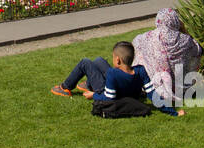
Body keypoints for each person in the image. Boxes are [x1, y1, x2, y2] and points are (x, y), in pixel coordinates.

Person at [50, 40, 181, 115]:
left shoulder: (113, 73)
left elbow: (109, 98)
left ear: (117, 60)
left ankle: (65, 87)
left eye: (113, 57)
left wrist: (93, 95)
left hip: (110, 90)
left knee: (85, 62)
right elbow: (153, 95)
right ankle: (88, 84)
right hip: (128, 90)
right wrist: (172, 111)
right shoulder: (140, 70)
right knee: (99, 60)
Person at [132, 8, 202, 109]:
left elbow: (134, 43)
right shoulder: (186, 40)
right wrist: (184, 31)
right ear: (175, 21)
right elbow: (198, 50)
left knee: (139, 53)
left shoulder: (147, 38)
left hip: (156, 89)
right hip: (182, 90)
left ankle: (144, 85)